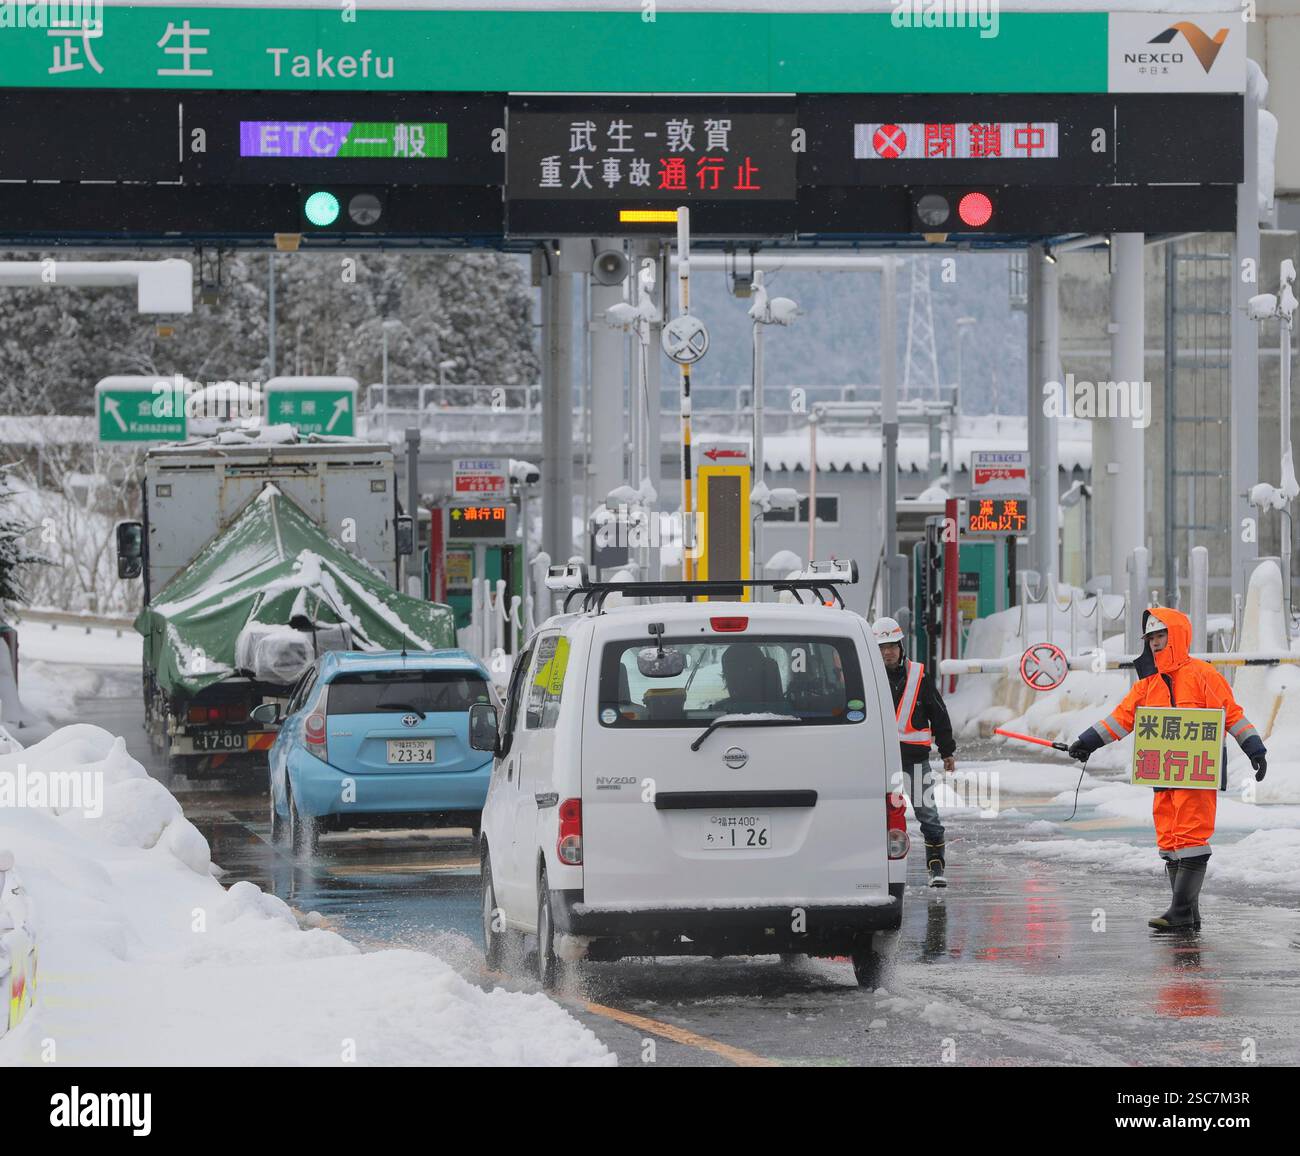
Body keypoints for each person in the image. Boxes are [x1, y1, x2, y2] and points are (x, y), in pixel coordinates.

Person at [1068, 607, 1267, 931]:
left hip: (1197, 772)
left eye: (1162, 635)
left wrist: (1254, 747)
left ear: (1176, 635)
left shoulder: (1203, 675)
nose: (1156, 643)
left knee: (1191, 835)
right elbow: (1121, 719)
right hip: (1163, 772)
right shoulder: (1147, 685)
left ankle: (1179, 910)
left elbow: (1231, 714)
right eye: (1151, 638)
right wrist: (1087, 741)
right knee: (1171, 839)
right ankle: (1188, 913)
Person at [872, 617, 957, 887]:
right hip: (878, 759)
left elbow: (939, 714)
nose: (888, 652)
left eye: (892, 646)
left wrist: (947, 751)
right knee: (873, 815)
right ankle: (875, 870)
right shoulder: (867, 676)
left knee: (928, 814)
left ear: (901, 646)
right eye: (882, 647)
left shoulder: (919, 675)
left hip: (914, 759)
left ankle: (936, 868)